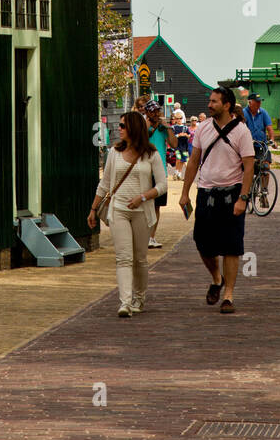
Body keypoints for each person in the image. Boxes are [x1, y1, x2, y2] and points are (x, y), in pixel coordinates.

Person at [179, 86, 255, 314]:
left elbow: (249, 165)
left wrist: (243, 197)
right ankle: (216, 277)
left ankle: (228, 295)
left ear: (227, 105)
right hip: (206, 193)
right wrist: (185, 193)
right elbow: (193, 161)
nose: (210, 105)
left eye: (214, 101)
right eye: (210, 101)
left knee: (231, 246)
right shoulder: (202, 128)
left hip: (231, 193)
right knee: (202, 242)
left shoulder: (241, 131)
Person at [89, 111, 167, 317]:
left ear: (134, 128)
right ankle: (124, 302)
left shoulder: (151, 154)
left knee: (140, 258)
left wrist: (142, 197)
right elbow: (105, 183)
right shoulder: (114, 152)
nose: (119, 129)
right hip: (119, 211)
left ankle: (139, 297)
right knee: (123, 257)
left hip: (142, 211)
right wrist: (93, 209)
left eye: (123, 125)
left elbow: (162, 185)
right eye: (120, 125)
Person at [144, 101, 177, 247]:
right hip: (144, 170)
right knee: (144, 205)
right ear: (147, 113)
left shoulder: (163, 128)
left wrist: (168, 127)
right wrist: (152, 125)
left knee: (156, 206)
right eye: (153, 112)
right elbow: (141, 139)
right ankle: (142, 236)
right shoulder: (144, 125)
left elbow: (174, 144)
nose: (156, 114)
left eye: (158, 111)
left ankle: (151, 237)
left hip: (160, 171)